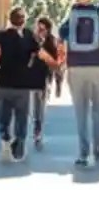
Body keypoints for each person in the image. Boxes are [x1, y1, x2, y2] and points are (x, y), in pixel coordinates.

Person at [58, 0, 99, 167]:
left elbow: (61, 34)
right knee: (98, 109)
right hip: (96, 66)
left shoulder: (72, 13)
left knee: (80, 112)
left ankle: (83, 153)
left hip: (75, 66)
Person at [0, 6, 40, 163]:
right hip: (22, 85)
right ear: (24, 21)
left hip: (3, 83)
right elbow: (36, 55)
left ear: (9, 20)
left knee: (4, 118)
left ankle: (6, 143)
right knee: (21, 117)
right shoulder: (28, 36)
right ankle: (19, 144)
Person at [29, 16, 62, 150]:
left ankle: (38, 131)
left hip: (44, 80)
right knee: (34, 108)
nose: (39, 31)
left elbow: (56, 64)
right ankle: (36, 129)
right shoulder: (31, 41)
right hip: (31, 79)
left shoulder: (51, 43)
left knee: (40, 108)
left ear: (48, 30)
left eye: (42, 29)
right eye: (38, 28)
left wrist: (58, 84)